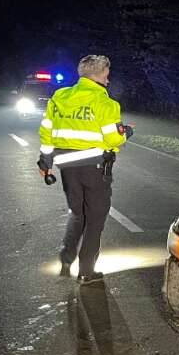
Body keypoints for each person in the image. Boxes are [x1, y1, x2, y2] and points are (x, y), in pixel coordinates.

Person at [37, 55, 131, 284]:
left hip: (67, 169)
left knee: (78, 214)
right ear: (98, 76)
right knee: (96, 219)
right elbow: (112, 139)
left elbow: (47, 131)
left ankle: (67, 257)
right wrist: (126, 132)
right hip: (95, 169)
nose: (108, 81)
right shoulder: (106, 103)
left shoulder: (60, 97)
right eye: (106, 75)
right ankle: (86, 271)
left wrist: (45, 162)